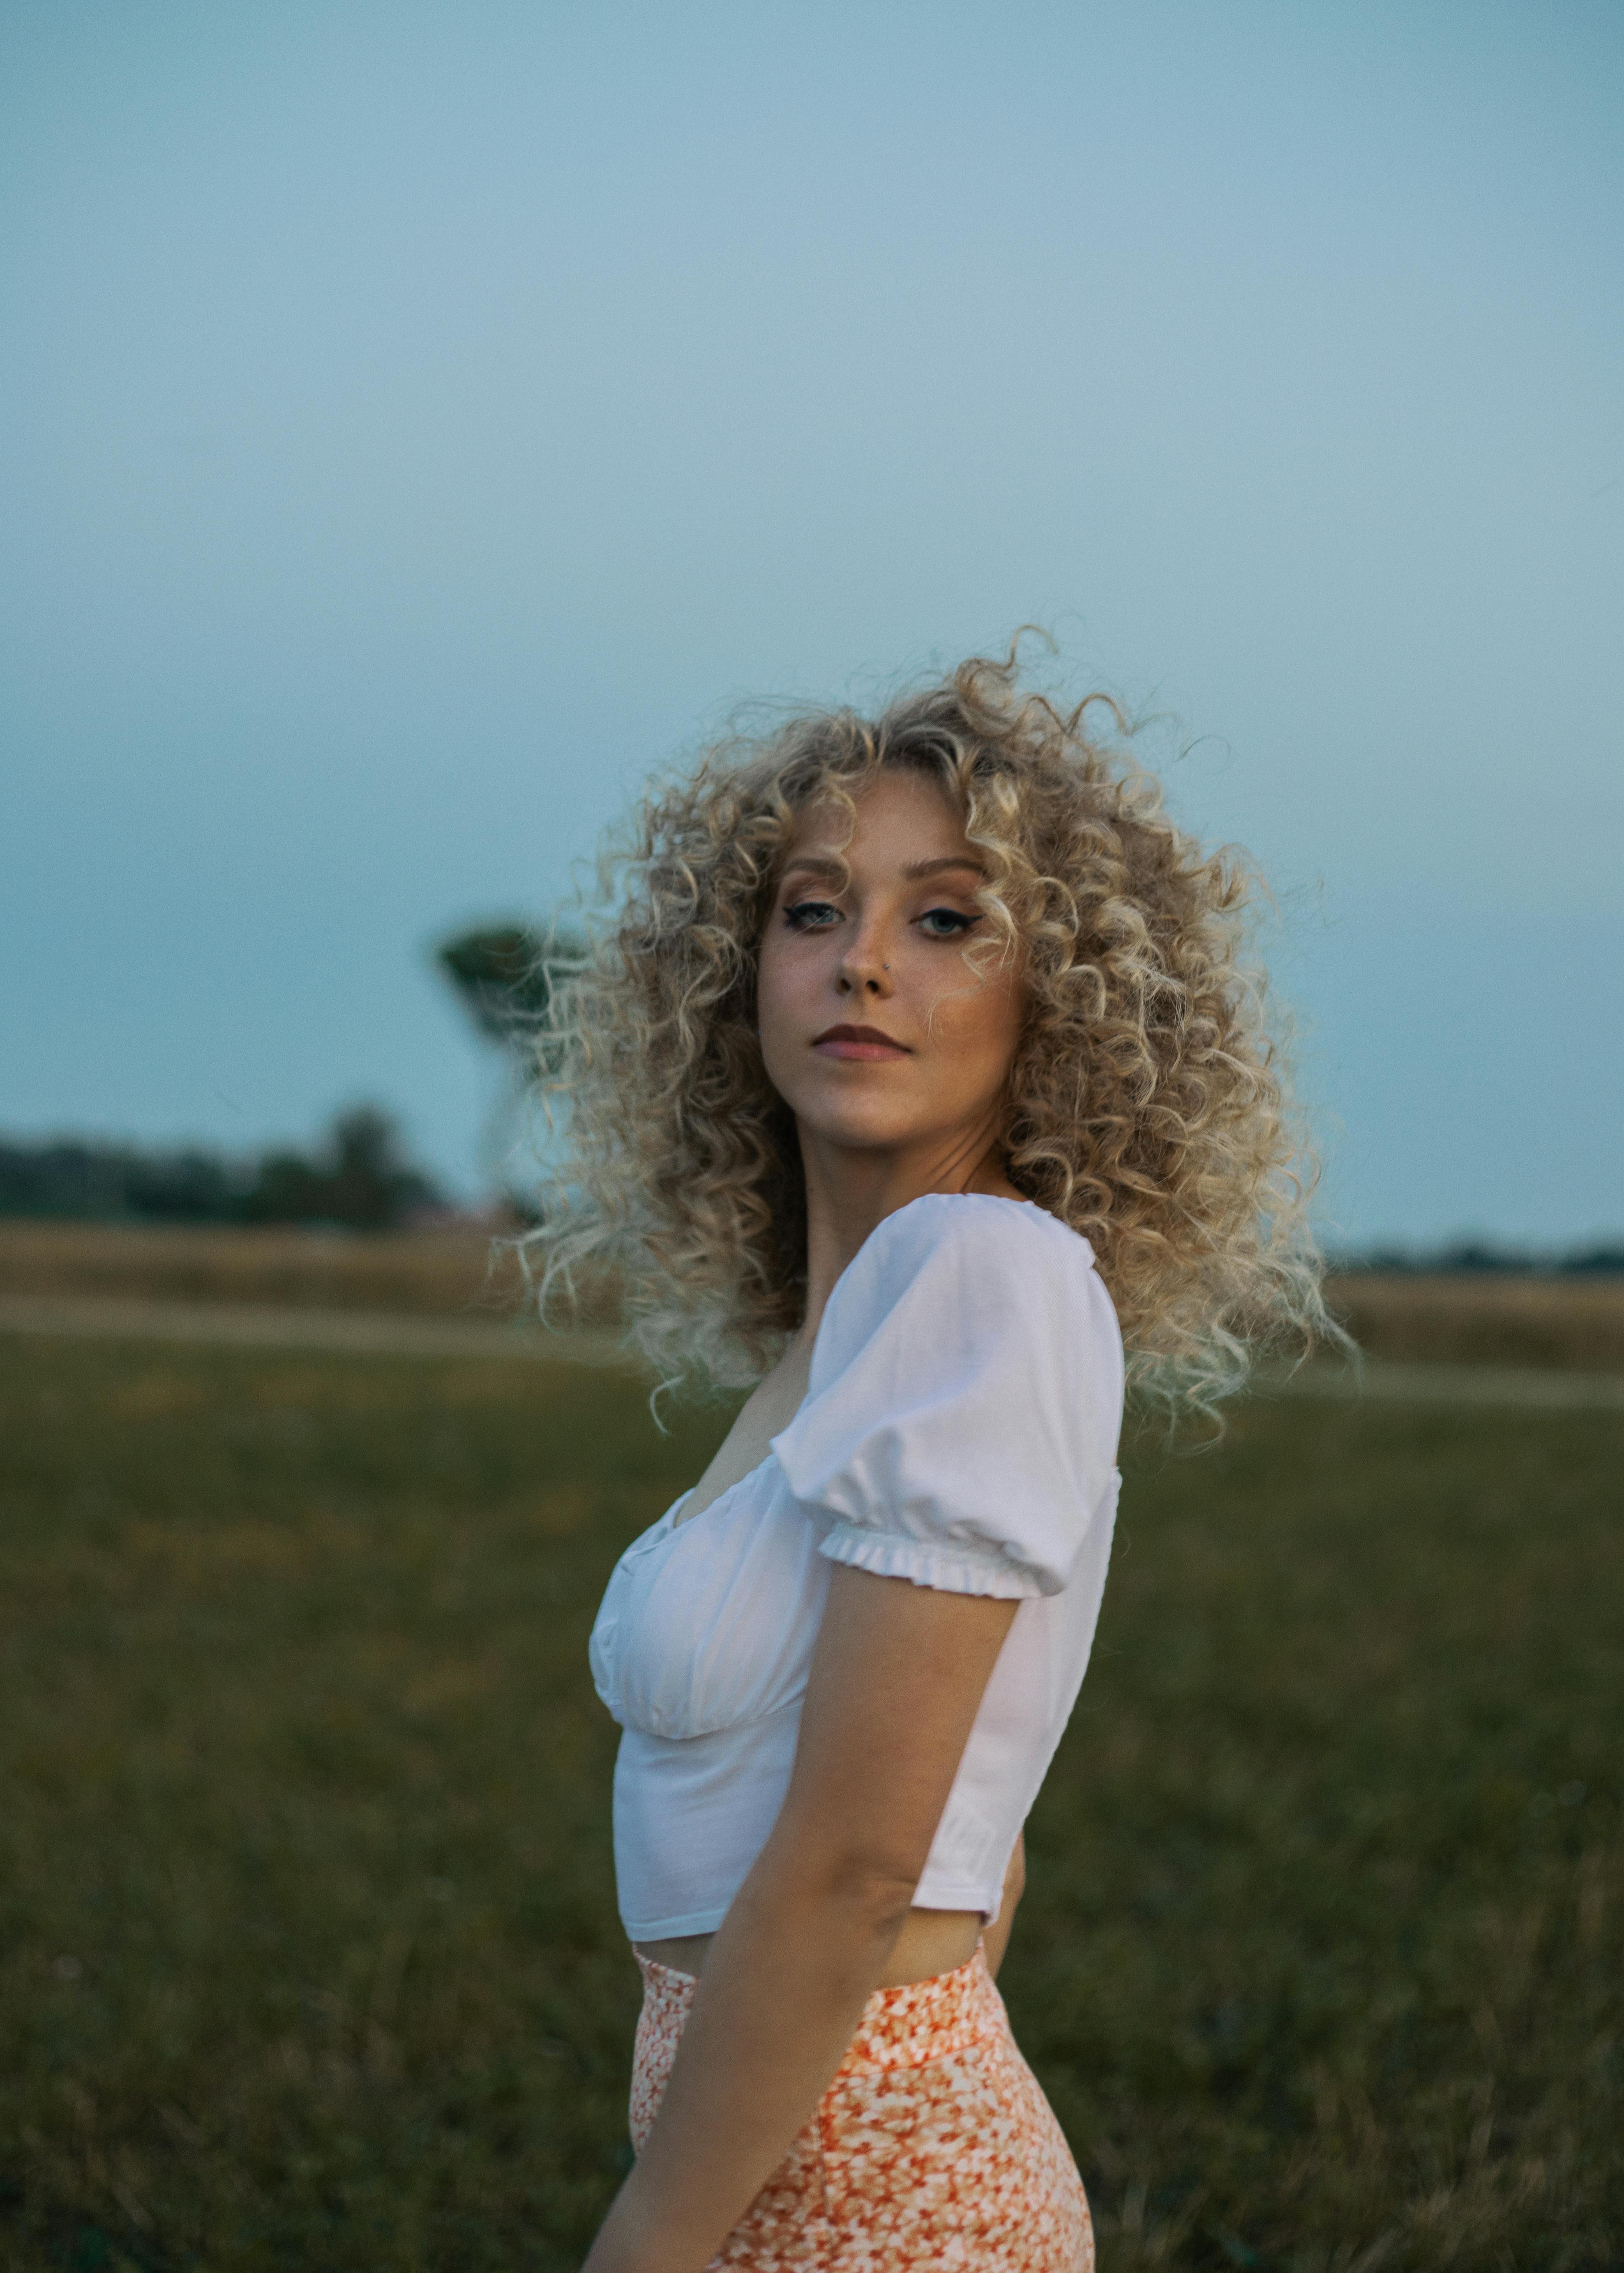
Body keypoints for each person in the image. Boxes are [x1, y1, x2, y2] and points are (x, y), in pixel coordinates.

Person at [532, 650, 1332, 2271]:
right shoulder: (855, 1324)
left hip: (883, 2198)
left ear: (1063, 996)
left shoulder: (981, 1271)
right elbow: (992, 1836)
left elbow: (856, 1869)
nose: (862, 966)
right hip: (802, 2144)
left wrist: (648, 2240)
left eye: (947, 918)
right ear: (736, 968)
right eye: (812, 911)